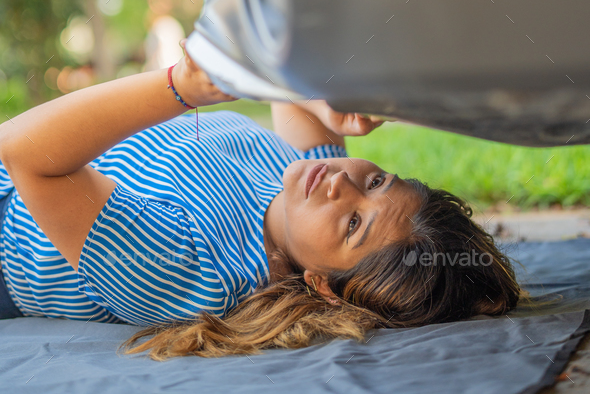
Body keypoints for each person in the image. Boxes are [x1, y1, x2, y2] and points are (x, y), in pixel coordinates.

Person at [0, 42, 520, 360]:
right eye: (379, 181)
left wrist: (179, 87)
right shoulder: (300, 188)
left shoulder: (196, 268)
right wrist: (327, 101)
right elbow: (290, 84)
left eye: (354, 226)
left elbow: (27, 153)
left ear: (322, 286)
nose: (344, 184)